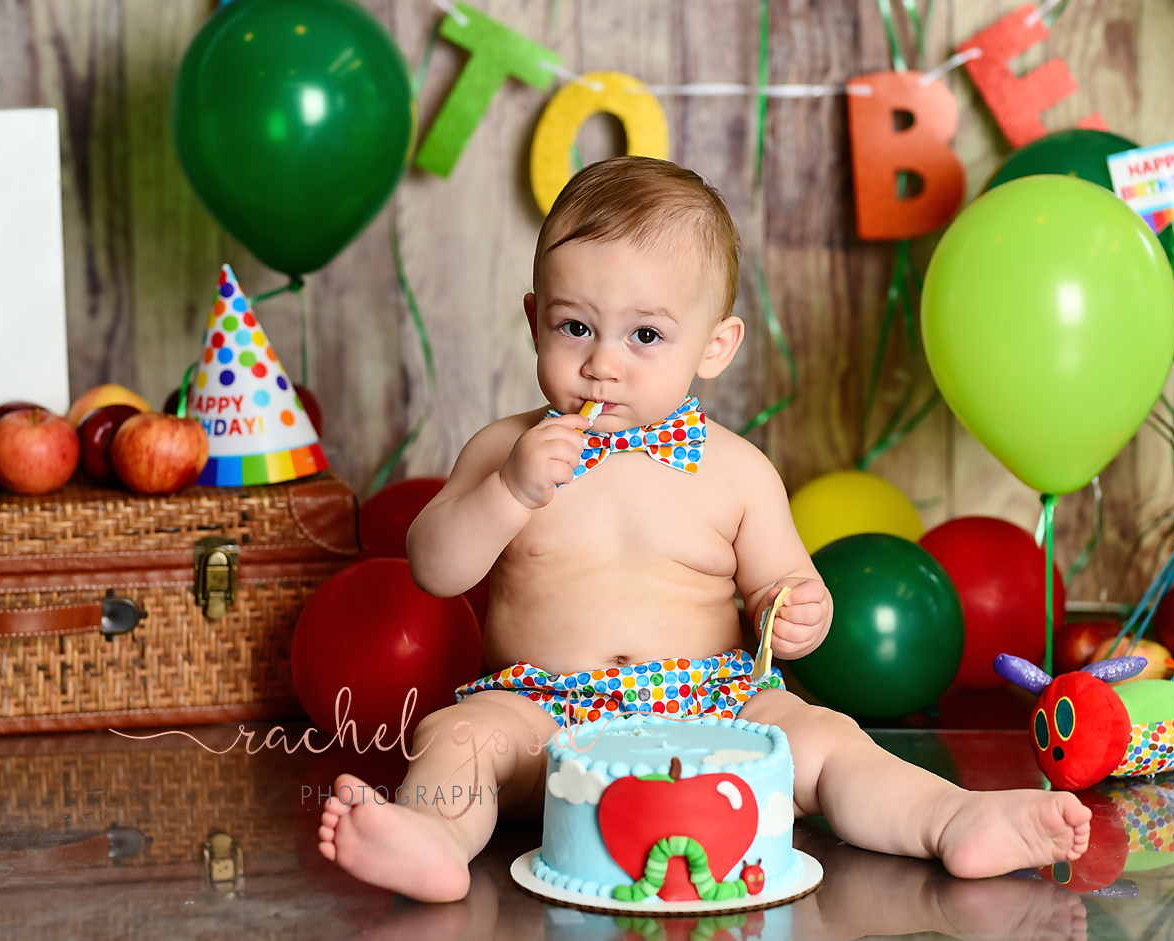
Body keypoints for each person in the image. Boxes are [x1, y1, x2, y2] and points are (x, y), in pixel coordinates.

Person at [318, 156, 1090, 902]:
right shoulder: (503, 451)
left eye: (645, 336)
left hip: (714, 707)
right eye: (575, 326)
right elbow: (435, 568)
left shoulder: (736, 471)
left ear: (714, 346)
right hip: (544, 713)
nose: (603, 364)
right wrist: (510, 491)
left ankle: (952, 818)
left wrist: (800, 611)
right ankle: (434, 838)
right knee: (458, 736)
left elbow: (782, 588)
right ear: (533, 320)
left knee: (826, 739)